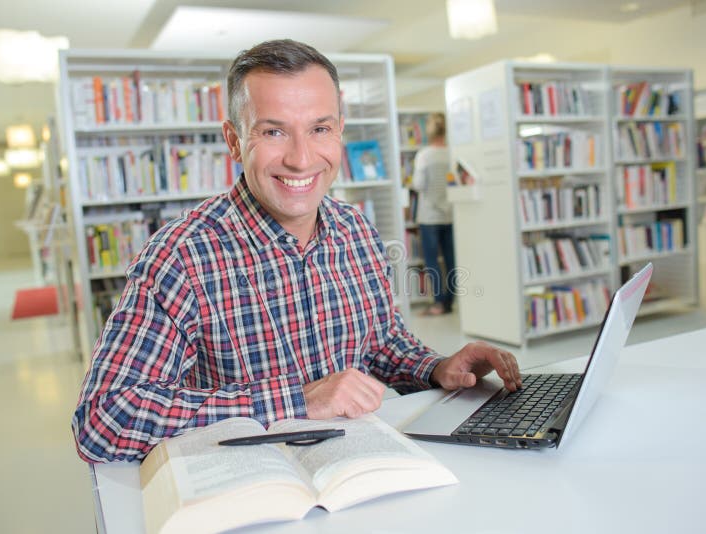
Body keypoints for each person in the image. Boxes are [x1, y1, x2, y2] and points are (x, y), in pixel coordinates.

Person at [71, 39, 521, 463]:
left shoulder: (354, 229)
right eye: (273, 132)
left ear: (339, 130)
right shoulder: (179, 257)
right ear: (233, 140)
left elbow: (381, 343)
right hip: (257, 490)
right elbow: (104, 419)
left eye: (320, 128)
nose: (302, 159)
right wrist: (298, 400)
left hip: (359, 468)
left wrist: (438, 367)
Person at [411, 112, 456, 316]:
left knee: (432, 261)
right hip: (449, 213)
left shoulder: (424, 155)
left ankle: (438, 303)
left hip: (429, 216)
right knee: (450, 259)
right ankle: (449, 302)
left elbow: (418, 184)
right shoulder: (452, 153)